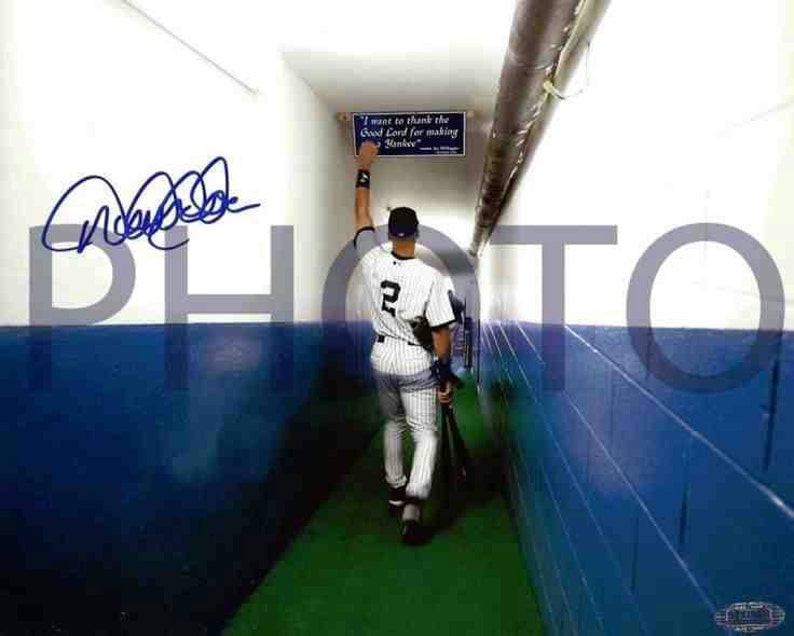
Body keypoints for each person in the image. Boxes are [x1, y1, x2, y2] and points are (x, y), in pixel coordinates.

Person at [352, 140, 457, 546]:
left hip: (380, 356)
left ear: (390, 233)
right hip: (414, 361)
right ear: (415, 234)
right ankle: (413, 504)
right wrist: (444, 375)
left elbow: (361, 212)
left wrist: (364, 166)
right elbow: (442, 332)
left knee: (392, 423)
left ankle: (395, 489)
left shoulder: (371, 258)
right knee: (425, 433)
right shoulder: (430, 277)